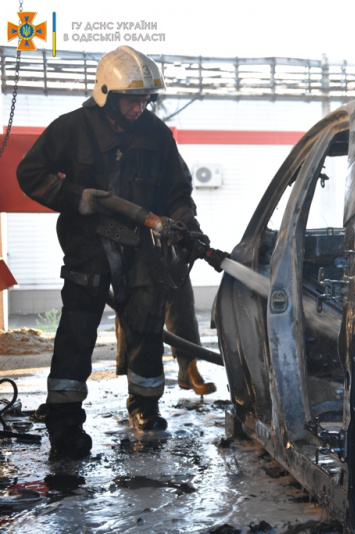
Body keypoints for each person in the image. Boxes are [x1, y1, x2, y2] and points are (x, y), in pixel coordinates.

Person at [16, 45, 204, 458]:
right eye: (131, 101)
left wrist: (185, 224)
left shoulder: (157, 135)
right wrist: (76, 197)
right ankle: (65, 421)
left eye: (145, 100)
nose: (139, 108)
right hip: (88, 247)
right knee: (77, 331)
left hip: (141, 249)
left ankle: (145, 406)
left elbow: (177, 191)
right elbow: (30, 173)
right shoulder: (72, 128)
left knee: (146, 327)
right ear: (106, 94)